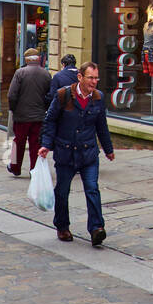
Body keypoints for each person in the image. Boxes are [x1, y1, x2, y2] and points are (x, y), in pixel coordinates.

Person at [39, 62, 114, 247]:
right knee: (62, 191)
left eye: (97, 78)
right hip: (66, 152)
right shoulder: (63, 95)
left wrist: (108, 149)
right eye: (91, 78)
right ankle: (62, 226)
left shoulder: (98, 97)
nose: (94, 82)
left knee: (92, 189)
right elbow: (50, 121)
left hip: (88, 153)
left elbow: (101, 126)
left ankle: (97, 228)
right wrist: (46, 145)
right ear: (80, 77)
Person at [6, 48, 51, 177]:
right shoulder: (46, 74)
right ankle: (34, 170)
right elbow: (50, 95)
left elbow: (11, 95)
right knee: (35, 144)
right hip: (39, 116)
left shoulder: (20, 73)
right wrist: (44, 109)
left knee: (18, 142)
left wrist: (13, 109)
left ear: (26, 60)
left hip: (22, 116)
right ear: (38, 59)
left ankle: (15, 167)